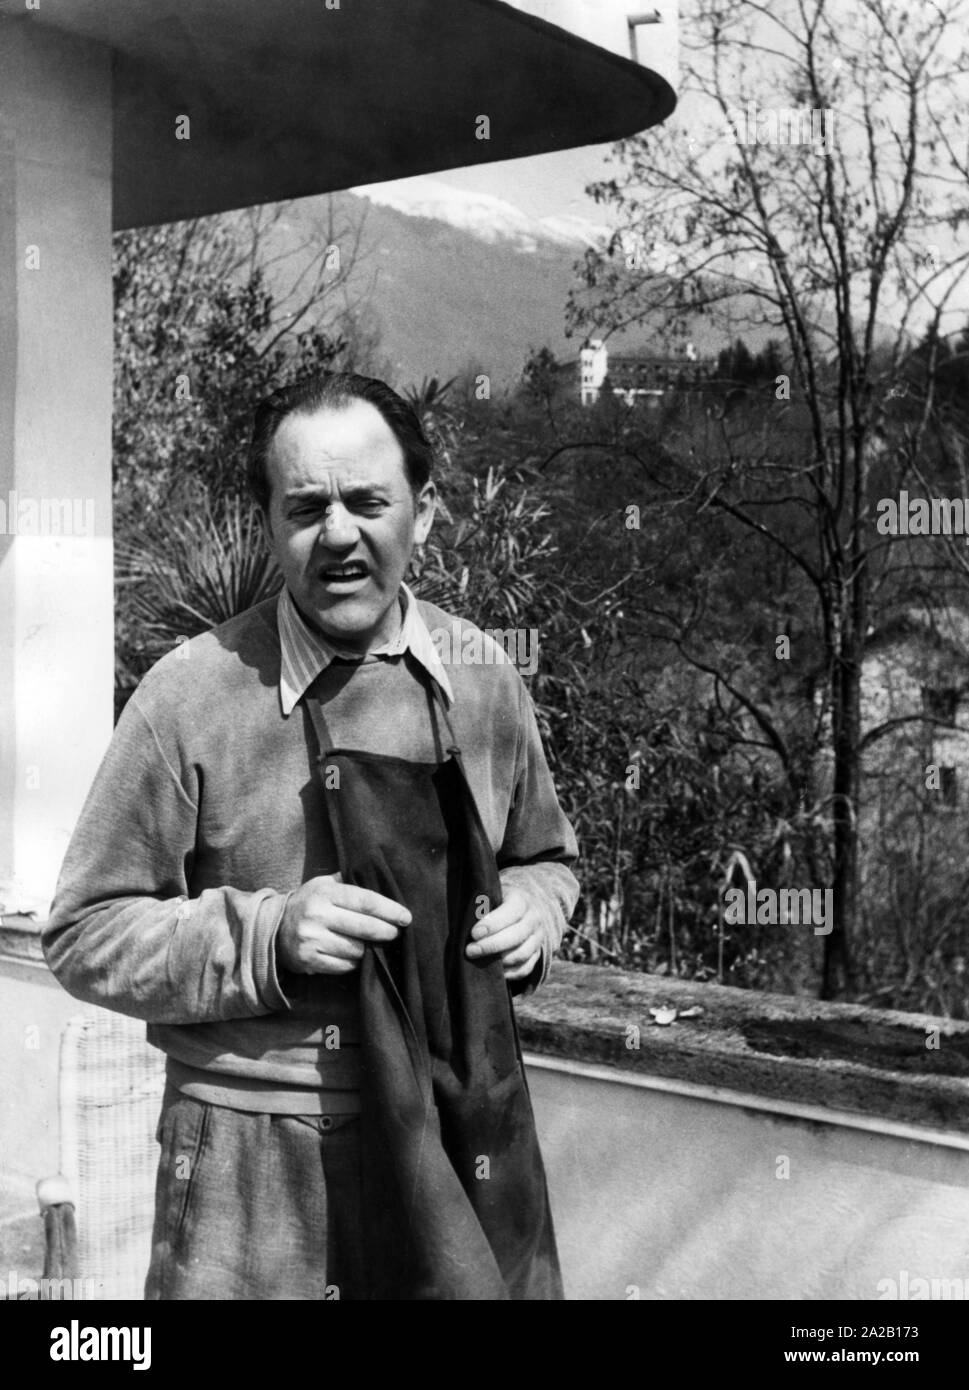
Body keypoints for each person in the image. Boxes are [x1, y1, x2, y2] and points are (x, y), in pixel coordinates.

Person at [43, 371, 580, 1301]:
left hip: (459, 1146)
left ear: (425, 512)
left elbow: (547, 856)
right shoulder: (189, 692)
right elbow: (83, 933)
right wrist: (269, 936)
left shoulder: (482, 677)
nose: (337, 534)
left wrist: (535, 907)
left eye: (368, 502)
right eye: (305, 507)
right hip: (249, 1169)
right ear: (269, 524)